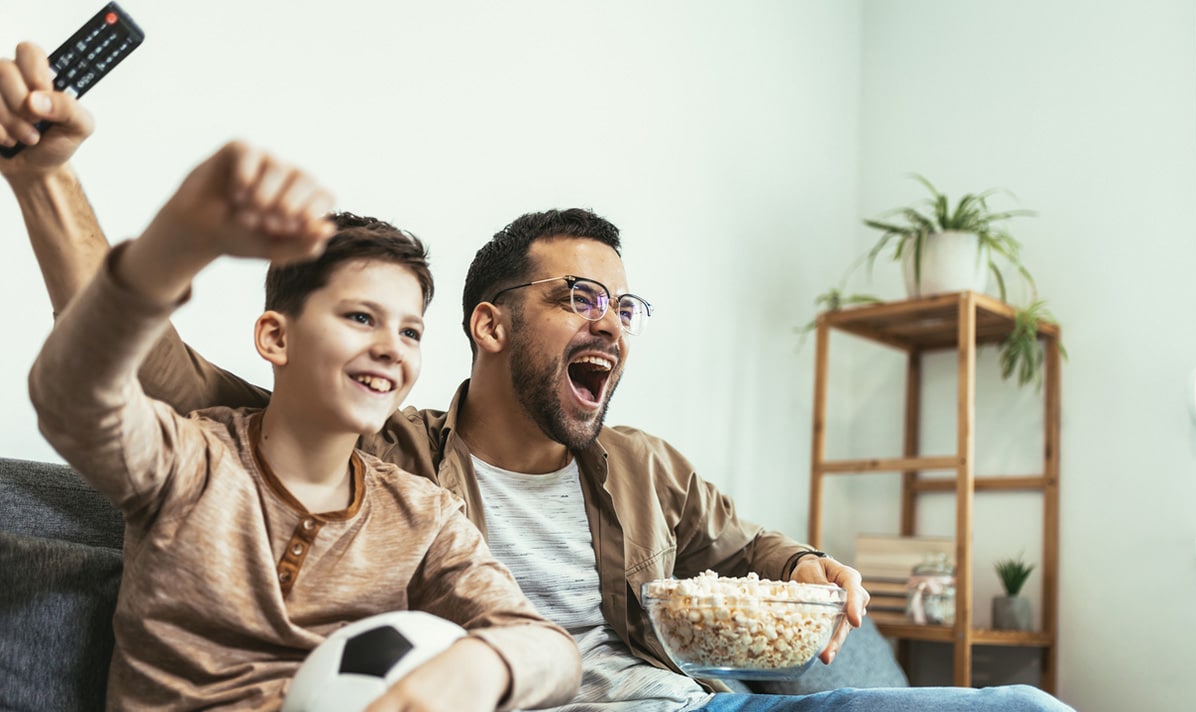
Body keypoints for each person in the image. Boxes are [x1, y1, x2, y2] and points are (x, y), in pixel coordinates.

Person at [1, 42, 1074, 712]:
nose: (609, 323)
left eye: (623, 305)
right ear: (490, 324)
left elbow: (740, 552)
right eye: (577, 298)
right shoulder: (386, 458)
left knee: (1024, 705)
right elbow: (135, 374)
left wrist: (803, 566)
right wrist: (61, 186)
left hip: (699, 705)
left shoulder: (634, 469)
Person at [26, 139, 581, 711]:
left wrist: (486, 663)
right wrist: (173, 245)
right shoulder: (187, 460)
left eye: (410, 331)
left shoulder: (424, 516)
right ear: (276, 337)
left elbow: (551, 651)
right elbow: (72, 396)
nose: (391, 348)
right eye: (361, 317)